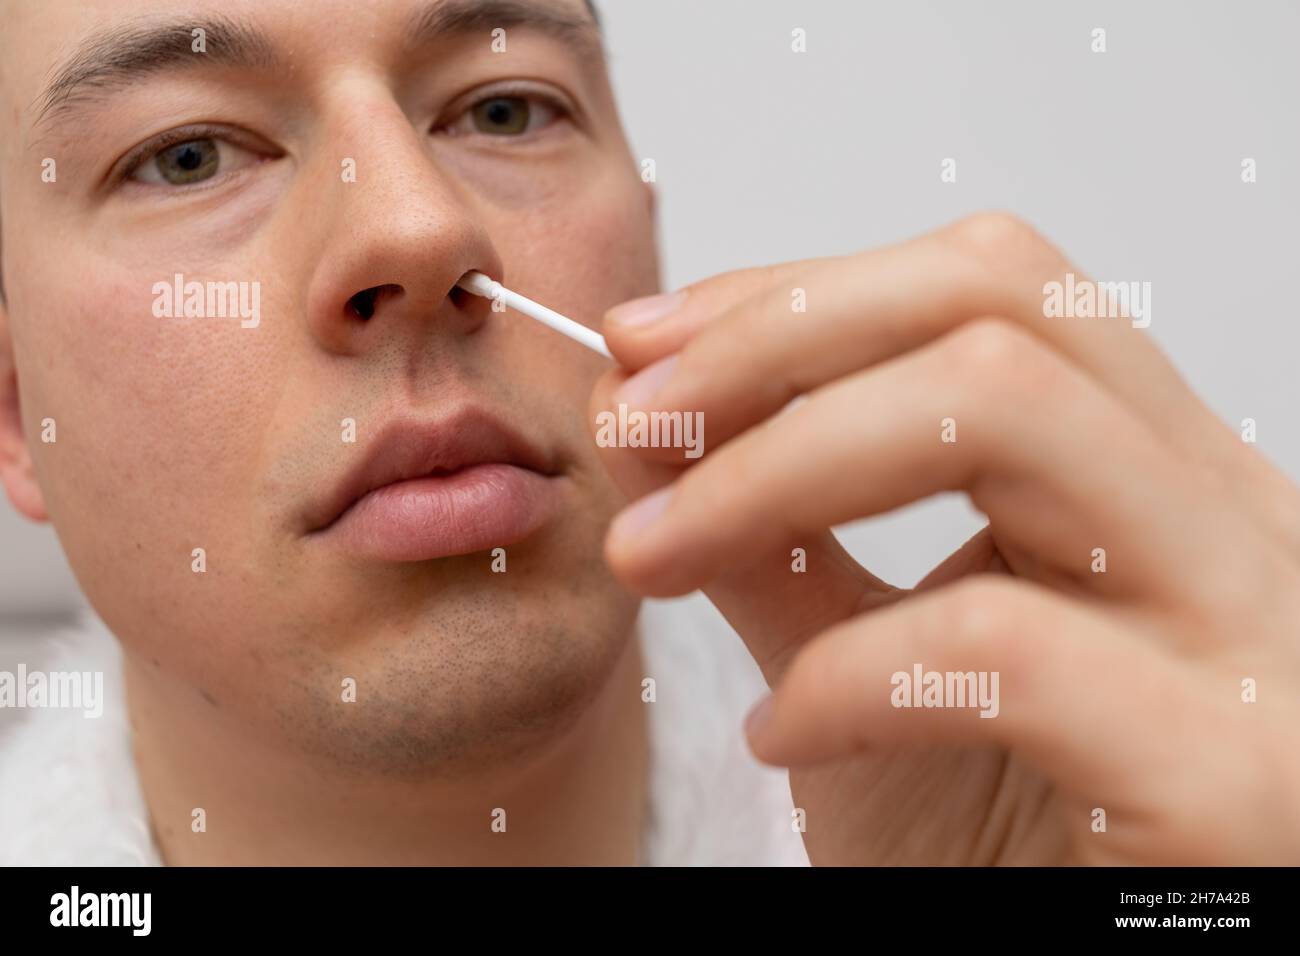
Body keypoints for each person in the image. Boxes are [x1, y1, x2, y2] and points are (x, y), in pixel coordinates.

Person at [0, 0, 1295, 866]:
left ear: (651, 252)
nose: (420, 228)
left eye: (503, 109)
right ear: (14, 415)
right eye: (182, 156)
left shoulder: (1039, 806)